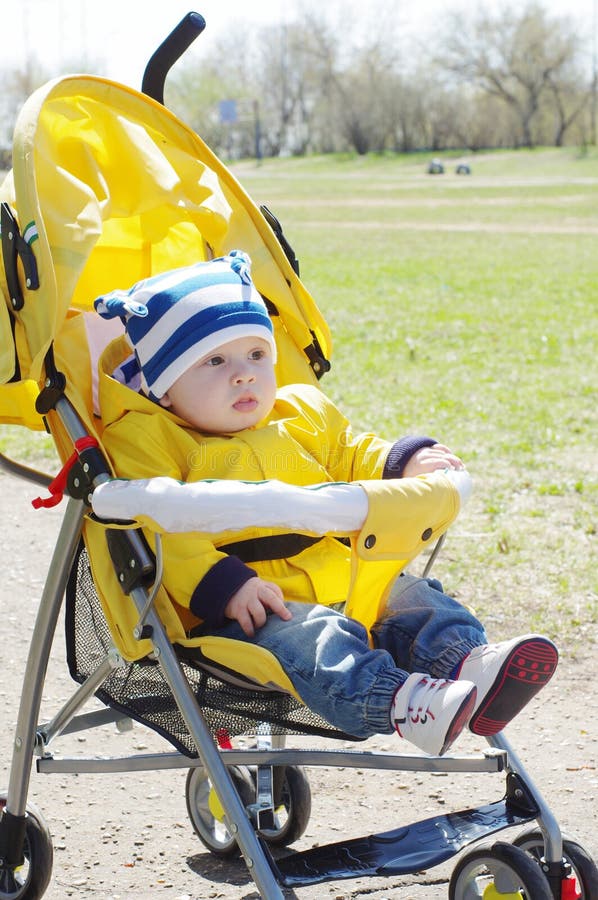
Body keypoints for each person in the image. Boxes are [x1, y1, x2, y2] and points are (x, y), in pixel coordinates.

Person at [94, 250, 558, 756]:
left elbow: (351, 450)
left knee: (414, 598)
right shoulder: (151, 439)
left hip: (347, 579)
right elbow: (159, 527)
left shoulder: (300, 412)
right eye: (214, 361)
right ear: (164, 388)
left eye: (256, 355)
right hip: (254, 607)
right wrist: (224, 586)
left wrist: (404, 462)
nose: (244, 375)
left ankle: (471, 666)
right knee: (314, 638)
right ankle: (401, 702)